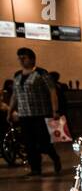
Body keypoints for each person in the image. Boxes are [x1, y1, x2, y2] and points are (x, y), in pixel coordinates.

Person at [7, 47, 62, 175]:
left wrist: (55, 110)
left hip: (40, 113)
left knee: (43, 141)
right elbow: (15, 95)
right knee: (29, 143)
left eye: (24, 58)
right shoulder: (17, 75)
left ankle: (55, 157)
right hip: (24, 114)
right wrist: (10, 111)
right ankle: (35, 168)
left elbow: (52, 91)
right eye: (19, 58)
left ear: (32, 59)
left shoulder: (41, 73)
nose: (21, 61)